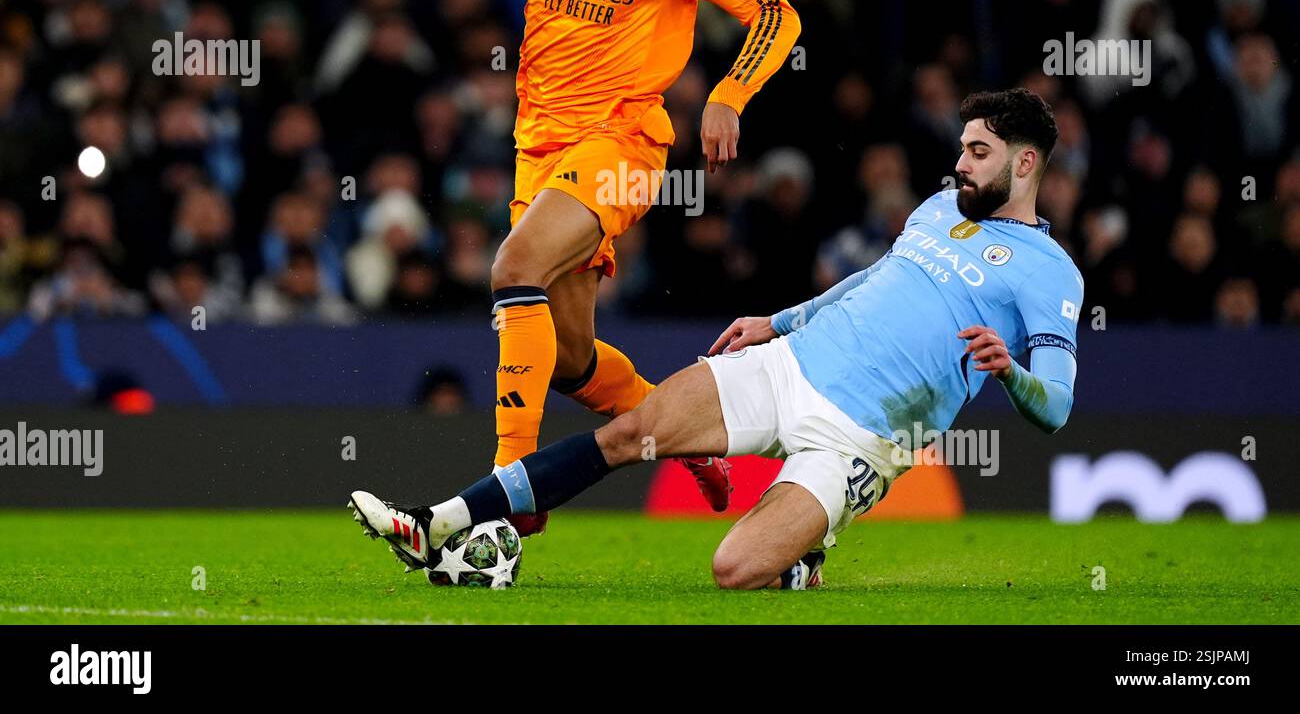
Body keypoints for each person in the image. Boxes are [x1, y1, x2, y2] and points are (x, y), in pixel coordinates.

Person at [233, 0, 803, 531]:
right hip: (539, 154)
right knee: (568, 361)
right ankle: (688, 442)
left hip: (622, 144)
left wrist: (727, 96)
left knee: (513, 269)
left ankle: (511, 490)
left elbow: (777, 14)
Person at [350, 89, 1083, 589]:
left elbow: (1054, 406)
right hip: (791, 364)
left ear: (1025, 164)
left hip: (859, 439)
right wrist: (781, 321)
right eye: (962, 147)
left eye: (979, 152)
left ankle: (801, 556)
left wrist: (1010, 372)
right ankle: (436, 521)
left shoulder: (1051, 275)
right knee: (629, 433)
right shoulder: (937, 207)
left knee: (734, 571)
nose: (960, 162)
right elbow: (870, 280)